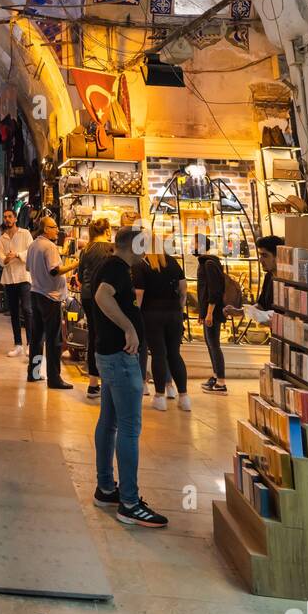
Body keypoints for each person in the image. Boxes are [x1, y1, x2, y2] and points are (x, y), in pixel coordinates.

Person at [92, 227, 168, 527]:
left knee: (109, 422)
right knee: (128, 427)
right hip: (120, 358)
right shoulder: (117, 269)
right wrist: (129, 328)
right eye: (143, 246)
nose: (146, 252)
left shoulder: (110, 266)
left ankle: (105, 488)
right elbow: (102, 296)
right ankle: (129, 502)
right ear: (133, 246)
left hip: (109, 355)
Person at [132, 244, 190, 411]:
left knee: (158, 354)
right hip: (174, 313)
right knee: (174, 354)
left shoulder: (141, 265)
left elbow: (139, 294)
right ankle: (184, 397)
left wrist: (135, 315)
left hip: (152, 314)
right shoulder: (173, 262)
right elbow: (183, 290)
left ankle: (159, 397)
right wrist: (178, 308)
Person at [26, 215, 78, 389]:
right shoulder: (49, 246)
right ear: (46, 229)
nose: (57, 230)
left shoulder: (33, 245)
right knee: (53, 339)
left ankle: (34, 373)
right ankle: (54, 378)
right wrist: (74, 265)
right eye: (54, 227)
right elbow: (54, 271)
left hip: (36, 293)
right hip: (50, 296)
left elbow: (28, 267)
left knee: (37, 337)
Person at [77, 217, 114, 399]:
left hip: (87, 296)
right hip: (105, 296)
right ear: (107, 231)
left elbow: (79, 275)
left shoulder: (86, 249)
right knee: (107, 336)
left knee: (93, 335)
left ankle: (93, 383)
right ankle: (107, 382)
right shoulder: (110, 249)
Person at [0, 207, 32, 358]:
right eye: (5, 217)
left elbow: (30, 251)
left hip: (23, 277)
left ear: (15, 218)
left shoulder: (25, 234)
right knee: (14, 312)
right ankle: (18, 344)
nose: (7, 219)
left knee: (27, 310)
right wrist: (5, 259)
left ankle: (31, 343)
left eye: (10, 216)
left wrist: (17, 255)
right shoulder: (2, 238)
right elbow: (0, 257)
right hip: (9, 279)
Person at [196, 238, 228, 393]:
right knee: (211, 345)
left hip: (213, 312)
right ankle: (215, 377)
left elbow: (214, 291)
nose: (191, 246)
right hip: (209, 311)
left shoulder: (209, 264)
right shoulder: (206, 262)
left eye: (194, 243)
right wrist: (202, 313)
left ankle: (221, 382)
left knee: (214, 345)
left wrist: (209, 313)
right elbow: (204, 290)